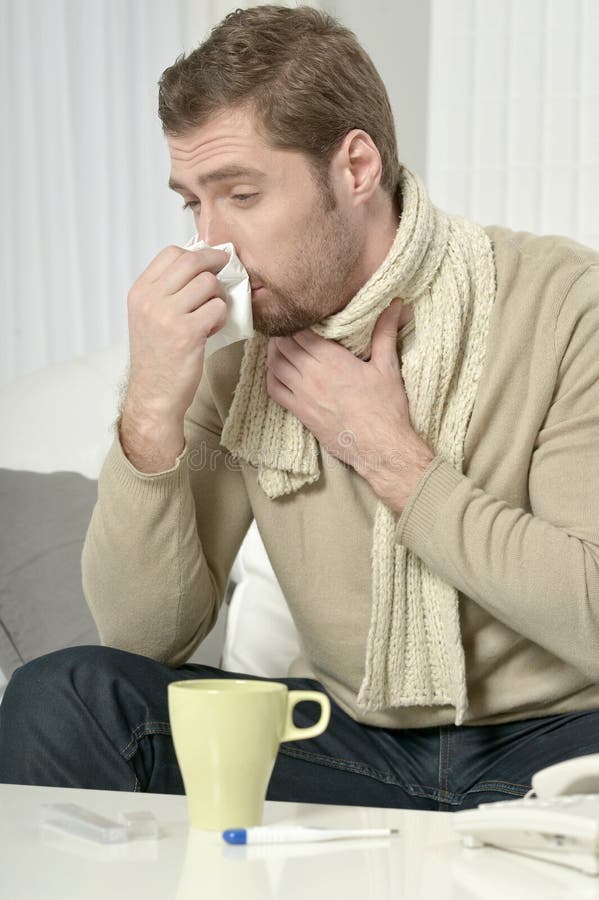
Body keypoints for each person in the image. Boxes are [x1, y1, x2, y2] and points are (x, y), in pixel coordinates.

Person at [1, 4, 599, 812]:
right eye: (192, 204)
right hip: (346, 740)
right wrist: (149, 411)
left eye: (240, 194)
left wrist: (392, 455)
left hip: (562, 740)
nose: (211, 246)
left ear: (354, 168)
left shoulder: (561, 304)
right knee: (66, 697)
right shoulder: (237, 358)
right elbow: (147, 641)